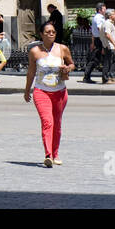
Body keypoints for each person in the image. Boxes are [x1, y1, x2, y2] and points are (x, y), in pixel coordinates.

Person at [24, 21, 75, 168]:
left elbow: (72, 64)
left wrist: (67, 68)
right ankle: (48, 155)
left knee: (57, 124)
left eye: (53, 31)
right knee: (47, 122)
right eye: (47, 32)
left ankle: (55, 153)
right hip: (41, 92)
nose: (51, 34)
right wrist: (27, 90)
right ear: (41, 34)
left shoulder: (62, 49)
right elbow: (31, 72)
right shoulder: (35, 51)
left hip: (59, 92)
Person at [82, 5, 107, 83]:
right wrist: (103, 42)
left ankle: (108, 76)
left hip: (98, 40)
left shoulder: (96, 17)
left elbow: (93, 31)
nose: (105, 10)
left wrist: (93, 42)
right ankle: (87, 76)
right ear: (100, 10)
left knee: (98, 59)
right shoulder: (99, 18)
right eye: (104, 9)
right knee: (95, 59)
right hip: (100, 40)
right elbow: (100, 30)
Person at [100, 10, 115, 83]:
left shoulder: (107, 23)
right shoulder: (107, 24)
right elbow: (107, 34)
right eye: (114, 14)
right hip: (110, 46)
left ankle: (109, 76)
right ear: (110, 16)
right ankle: (107, 77)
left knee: (109, 61)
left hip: (108, 46)